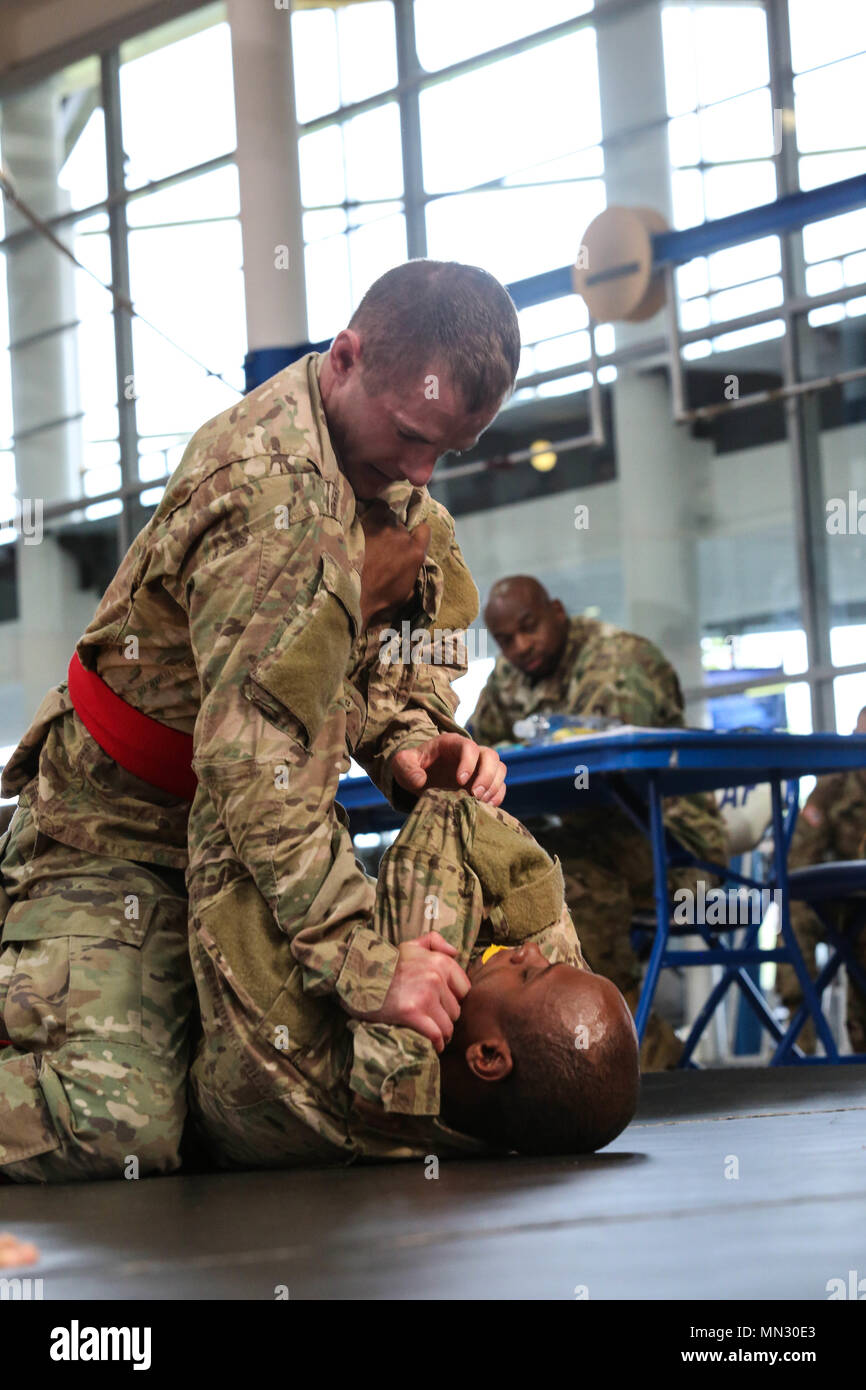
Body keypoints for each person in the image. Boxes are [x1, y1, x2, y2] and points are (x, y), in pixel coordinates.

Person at [0, 259, 518, 1181]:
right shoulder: (268, 492)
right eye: (409, 437)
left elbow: (398, 674)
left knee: (286, 1110)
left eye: (451, 451)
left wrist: (414, 748)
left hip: (250, 860)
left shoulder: (399, 493)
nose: (420, 472)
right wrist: (366, 963)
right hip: (116, 843)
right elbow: (253, 762)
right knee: (109, 1130)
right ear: (347, 358)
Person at [186, 786, 640, 1168]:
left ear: (487, 1057)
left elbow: (446, 812)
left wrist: (378, 979)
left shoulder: (290, 1053)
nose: (528, 952)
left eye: (529, 975)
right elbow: (520, 871)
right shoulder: (505, 1079)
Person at [469, 576, 728, 1070]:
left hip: (669, 842)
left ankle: (641, 1056)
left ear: (558, 613)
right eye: (505, 639)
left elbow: (598, 764)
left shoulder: (617, 660)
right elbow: (478, 745)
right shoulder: (510, 675)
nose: (521, 646)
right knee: (492, 877)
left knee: (566, 888)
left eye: (530, 628)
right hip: (590, 837)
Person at [775, 707, 866, 1054]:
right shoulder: (835, 786)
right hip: (840, 901)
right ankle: (801, 1036)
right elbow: (798, 855)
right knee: (792, 909)